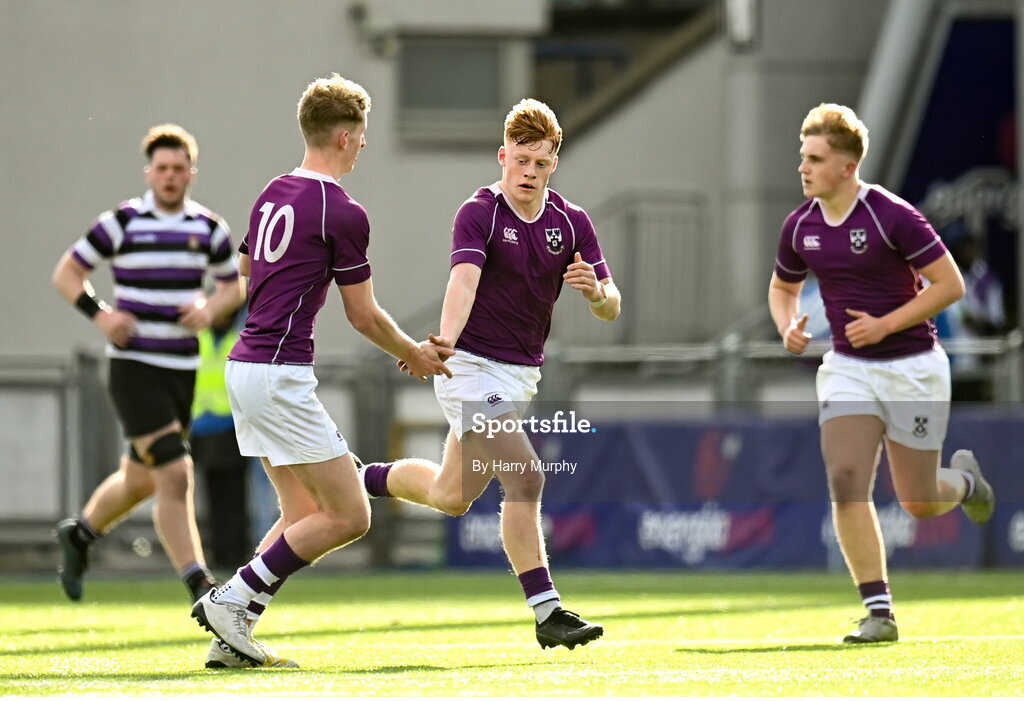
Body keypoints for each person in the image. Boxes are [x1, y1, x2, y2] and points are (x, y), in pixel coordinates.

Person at [191, 73, 453, 668]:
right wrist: (412, 351)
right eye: (360, 136)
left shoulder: (271, 191)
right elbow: (362, 314)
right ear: (342, 135)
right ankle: (230, 599)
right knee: (349, 514)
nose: (363, 146)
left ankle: (230, 637)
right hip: (280, 375)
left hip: (244, 367)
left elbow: (247, 279)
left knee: (300, 516)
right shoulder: (342, 210)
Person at [358, 98, 621, 650]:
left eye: (541, 163)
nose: (529, 172)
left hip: (520, 376)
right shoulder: (480, 211)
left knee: (451, 494)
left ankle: (360, 480)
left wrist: (596, 292)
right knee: (526, 476)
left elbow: (612, 304)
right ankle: (548, 611)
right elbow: (464, 282)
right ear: (503, 156)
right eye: (521, 160)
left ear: (554, 164)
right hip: (470, 369)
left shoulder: (572, 223)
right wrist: (444, 345)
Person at [768, 103, 996, 644]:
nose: (803, 168)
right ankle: (879, 611)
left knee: (917, 498)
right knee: (846, 480)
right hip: (848, 368)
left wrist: (886, 324)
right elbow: (783, 288)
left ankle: (965, 483)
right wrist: (787, 328)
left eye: (815, 158)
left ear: (846, 167)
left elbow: (950, 285)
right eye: (802, 156)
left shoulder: (891, 215)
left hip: (913, 369)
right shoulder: (800, 225)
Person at [52, 124, 245, 604]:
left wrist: (210, 309)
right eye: (162, 168)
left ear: (191, 174)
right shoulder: (122, 222)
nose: (170, 176)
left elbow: (233, 287)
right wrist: (101, 315)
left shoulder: (209, 228)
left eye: (179, 168)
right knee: (176, 475)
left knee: (140, 480)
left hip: (181, 370)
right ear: (149, 173)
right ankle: (199, 583)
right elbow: (67, 273)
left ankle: (79, 535)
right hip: (134, 367)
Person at [190, 304, 253, 570]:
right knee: (212, 493)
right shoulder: (199, 336)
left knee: (235, 493)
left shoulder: (239, 335)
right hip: (201, 426)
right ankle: (217, 552)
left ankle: (237, 552)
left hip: (231, 426)